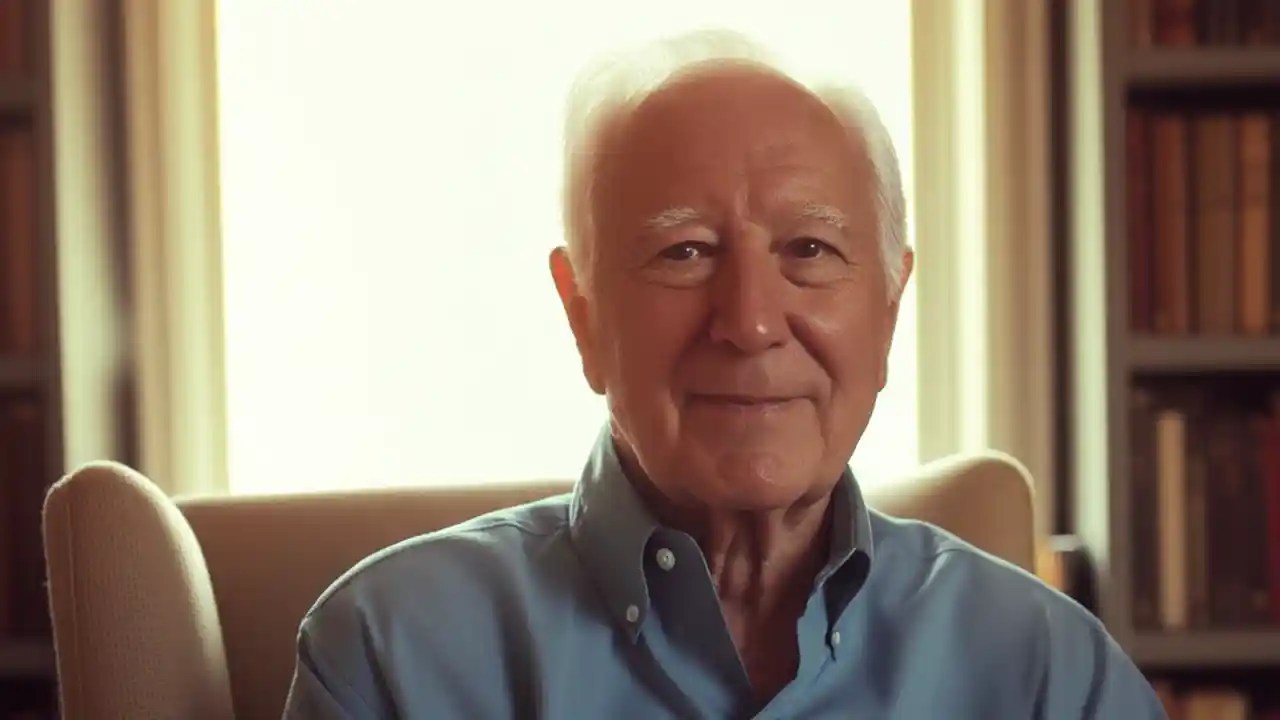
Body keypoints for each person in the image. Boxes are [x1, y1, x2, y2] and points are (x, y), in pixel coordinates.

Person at [282, 30, 1165, 719]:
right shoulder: (392, 657)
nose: (749, 321)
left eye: (809, 250)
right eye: (685, 251)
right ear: (582, 314)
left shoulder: (1049, 672)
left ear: (891, 310)